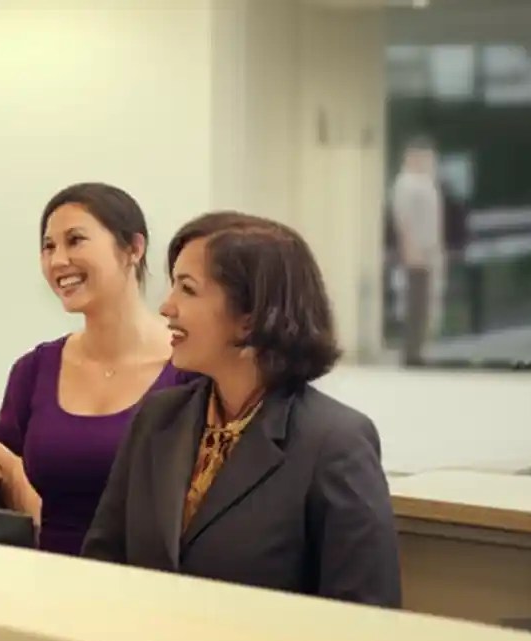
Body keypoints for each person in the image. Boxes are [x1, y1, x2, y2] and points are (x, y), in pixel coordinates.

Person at [82, 211, 402, 607]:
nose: (166, 306)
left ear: (251, 318)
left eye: (187, 289)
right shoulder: (159, 416)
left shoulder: (336, 443)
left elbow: (366, 612)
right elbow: (102, 563)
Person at [0, 183, 192, 555]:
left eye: (75, 240)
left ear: (133, 250)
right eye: (48, 247)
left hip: (150, 593)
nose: (58, 260)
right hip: (44, 588)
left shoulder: (188, 370)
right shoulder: (34, 370)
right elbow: (3, 478)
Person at [389, 135, 446, 365]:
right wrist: (410, 249)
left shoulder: (425, 182)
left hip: (429, 251)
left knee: (424, 303)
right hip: (416, 252)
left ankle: (420, 348)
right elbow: (402, 220)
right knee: (414, 303)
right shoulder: (406, 184)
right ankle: (411, 352)